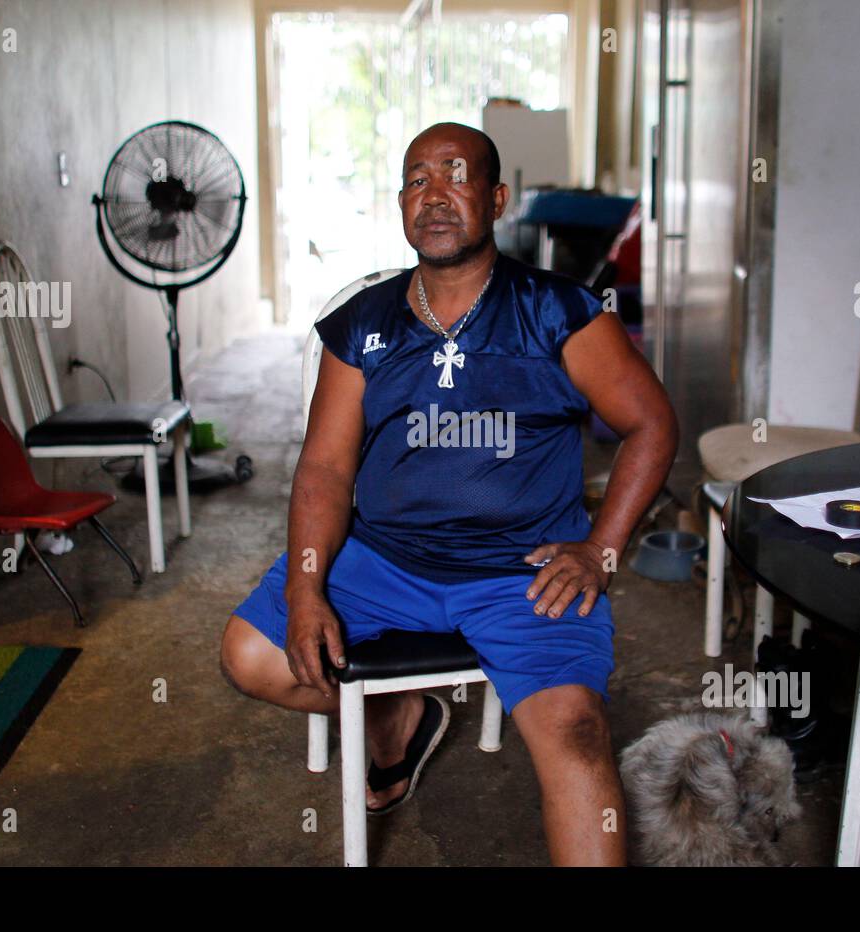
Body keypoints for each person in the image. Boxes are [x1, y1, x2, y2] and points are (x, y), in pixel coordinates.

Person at [220, 121, 678, 865]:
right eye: (416, 179)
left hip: (520, 574)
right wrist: (308, 589)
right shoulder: (363, 326)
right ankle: (400, 712)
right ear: (400, 202)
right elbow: (325, 471)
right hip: (385, 560)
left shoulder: (557, 312)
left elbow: (652, 425)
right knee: (251, 655)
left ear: (495, 199)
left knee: (577, 735)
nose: (433, 195)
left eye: (455, 175)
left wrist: (600, 550)